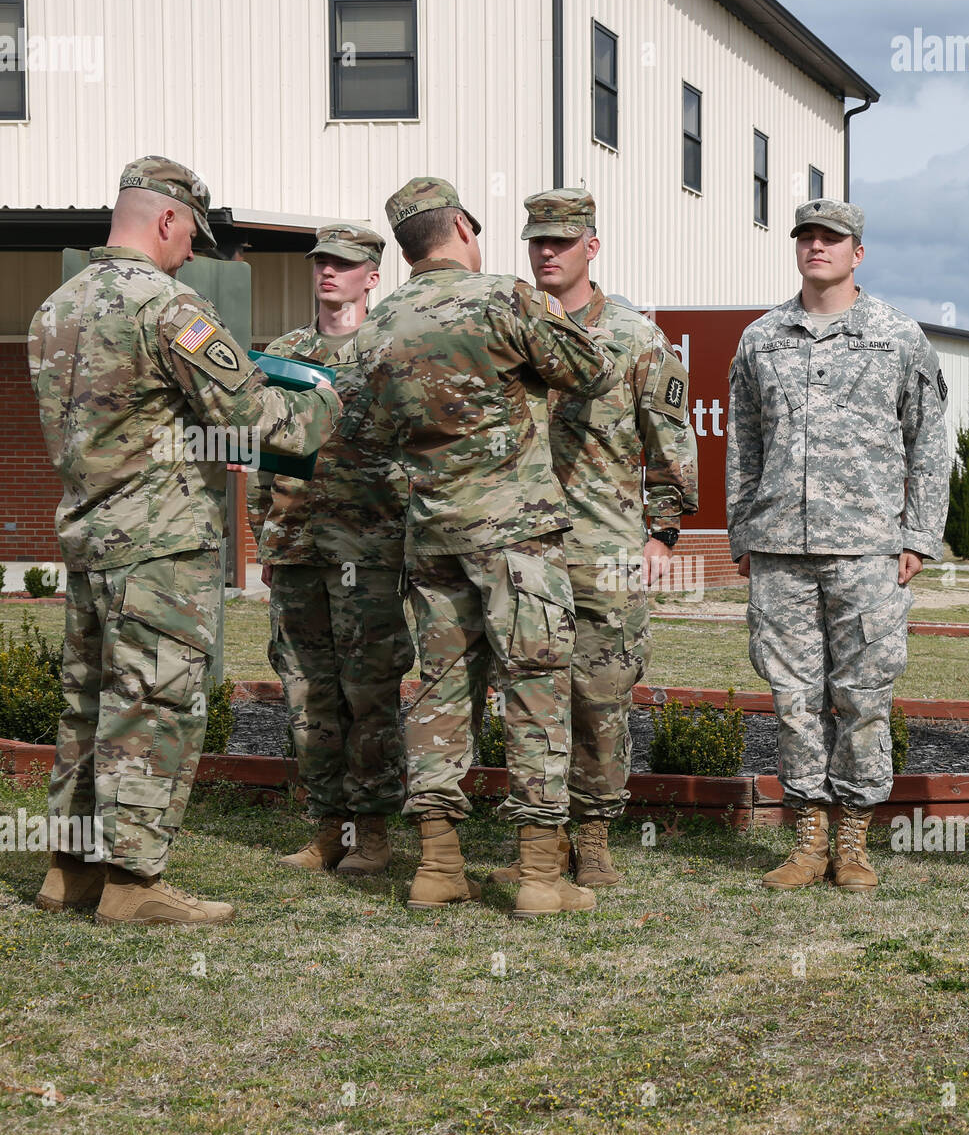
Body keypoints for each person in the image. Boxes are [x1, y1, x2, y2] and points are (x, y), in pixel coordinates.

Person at [28, 156, 341, 925]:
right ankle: (135, 885)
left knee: (89, 705)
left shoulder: (53, 309)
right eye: (190, 238)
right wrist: (325, 400)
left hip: (90, 537)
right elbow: (246, 422)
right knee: (154, 704)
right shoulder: (172, 311)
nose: (192, 254)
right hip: (160, 549)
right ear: (167, 221)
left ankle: (69, 872)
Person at [337, 178, 623, 918]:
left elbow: (363, 433)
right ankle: (536, 875)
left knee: (438, 693)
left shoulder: (377, 326)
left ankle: (436, 865)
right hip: (517, 533)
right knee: (535, 686)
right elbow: (590, 369)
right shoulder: (503, 298)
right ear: (462, 227)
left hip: (430, 534)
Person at [726, 199, 949, 892]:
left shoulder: (897, 336)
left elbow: (930, 440)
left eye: (832, 238)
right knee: (793, 697)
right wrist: (742, 527)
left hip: (867, 548)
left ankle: (853, 838)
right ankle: (807, 837)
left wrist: (919, 534)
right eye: (807, 237)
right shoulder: (761, 338)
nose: (817, 246)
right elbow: (745, 442)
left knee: (863, 694)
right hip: (780, 549)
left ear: (858, 253)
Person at [487, 187, 697, 888]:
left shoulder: (636, 337)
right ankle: (539, 835)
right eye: (537, 242)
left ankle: (597, 833)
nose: (546, 253)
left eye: (560, 242)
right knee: (528, 697)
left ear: (591, 247)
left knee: (602, 697)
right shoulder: (508, 334)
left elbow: (668, 441)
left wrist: (662, 534)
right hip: (524, 547)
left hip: (606, 548)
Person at [247, 223, 413, 877]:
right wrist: (266, 532)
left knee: (367, 690)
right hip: (296, 547)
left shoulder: (391, 351)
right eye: (322, 262)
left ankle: (371, 833)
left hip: (368, 550)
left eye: (343, 264)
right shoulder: (286, 351)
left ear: (372, 275)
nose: (328, 273)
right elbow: (266, 451)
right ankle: (326, 831)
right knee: (305, 691)